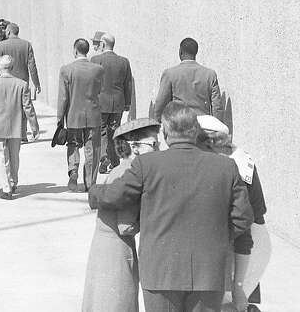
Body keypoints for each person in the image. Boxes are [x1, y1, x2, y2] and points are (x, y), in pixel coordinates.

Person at [90, 102, 253, 312]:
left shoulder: (146, 165)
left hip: (161, 273)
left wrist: (93, 191)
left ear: (166, 134)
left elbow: (114, 195)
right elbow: (243, 218)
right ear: (195, 132)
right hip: (210, 272)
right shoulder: (226, 166)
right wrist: (217, 238)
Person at [80, 118, 161, 312]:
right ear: (135, 146)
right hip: (116, 252)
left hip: (107, 248)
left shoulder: (121, 169)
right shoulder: (129, 173)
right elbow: (127, 226)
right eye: (154, 144)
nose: (158, 149)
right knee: (117, 303)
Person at [198, 115, 270, 312]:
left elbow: (244, 229)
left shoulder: (229, 168)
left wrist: (237, 286)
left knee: (229, 302)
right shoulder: (236, 157)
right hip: (244, 239)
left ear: (211, 143)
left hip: (247, 243)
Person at [0, 53, 40, 199]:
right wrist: (34, 126)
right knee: (14, 156)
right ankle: (13, 182)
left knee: (1, 157)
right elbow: (28, 107)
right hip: (16, 125)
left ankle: (6, 187)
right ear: (12, 67)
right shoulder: (21, 84)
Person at [58, 37, 105, 191]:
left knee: (73, 144)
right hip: (93, 114)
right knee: (92, 148)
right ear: (87, 50)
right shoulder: (98, 69)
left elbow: (63, 97)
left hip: (73, 114)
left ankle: (73, 172)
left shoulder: (66, 70)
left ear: (75, 50)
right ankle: (90, 182)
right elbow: (99, 91)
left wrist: (60, 119)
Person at [151, 37, 223, 120]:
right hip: (202, 126)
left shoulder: (169, 74)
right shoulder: (210, 74)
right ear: (196, 52)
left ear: (180, 52)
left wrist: (157, 124)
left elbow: (160, 104)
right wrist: (217, 127)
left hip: (179, 125)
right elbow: (217, 107)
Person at [92, 33, 134, 173]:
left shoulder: (95, 59)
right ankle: (115, 161)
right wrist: (128, 103)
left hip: (101, 102)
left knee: (102, 131)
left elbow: (92, 82)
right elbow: (128, 84)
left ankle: (104, 157)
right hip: (118, 102)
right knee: (115, 131)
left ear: (103, 44)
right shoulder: (124, 61)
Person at [0, 22, 41, 96]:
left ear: (9, 32)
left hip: (6, 81)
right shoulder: (27, 44)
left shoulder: (1, 45)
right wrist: (36, 83)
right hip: (22, 81)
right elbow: (32, 66)